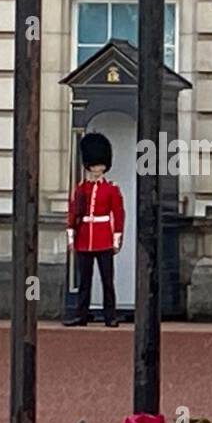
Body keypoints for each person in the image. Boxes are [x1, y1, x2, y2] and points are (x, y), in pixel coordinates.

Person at [65, 131, 124, 327]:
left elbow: (118, 214)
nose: (97, 169)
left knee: (107, 281)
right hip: (84, 238)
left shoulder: (111, 189)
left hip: (104, 238)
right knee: (85, 282)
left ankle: (111, 316)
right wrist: (71, 237)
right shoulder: (81, 188)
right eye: (93, 165)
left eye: (99, 165)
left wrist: (116, 240)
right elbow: (73, 212)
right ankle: (82, 315)